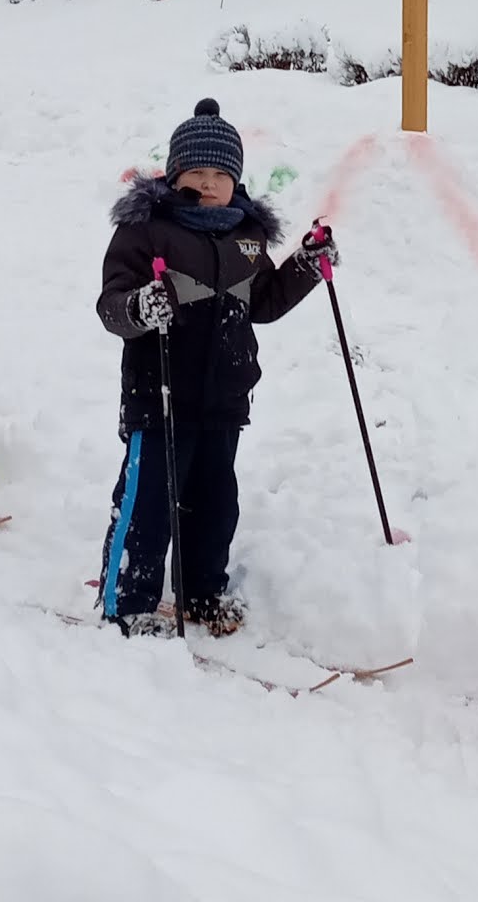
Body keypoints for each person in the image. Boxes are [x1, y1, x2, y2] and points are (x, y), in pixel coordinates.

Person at [96, 98, 326, 637]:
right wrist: (138, 308)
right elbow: (112, 303)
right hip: (161, 394)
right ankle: (128, 600)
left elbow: (263, 302)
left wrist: (305, 266)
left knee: (214, 505)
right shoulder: (146, 230)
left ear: (236, 180)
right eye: (196, 172)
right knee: (148, 502)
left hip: (223, 397)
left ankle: (202, 594)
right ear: (174, 174)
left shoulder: (245, 237)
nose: (208, 183)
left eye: (220, 174)